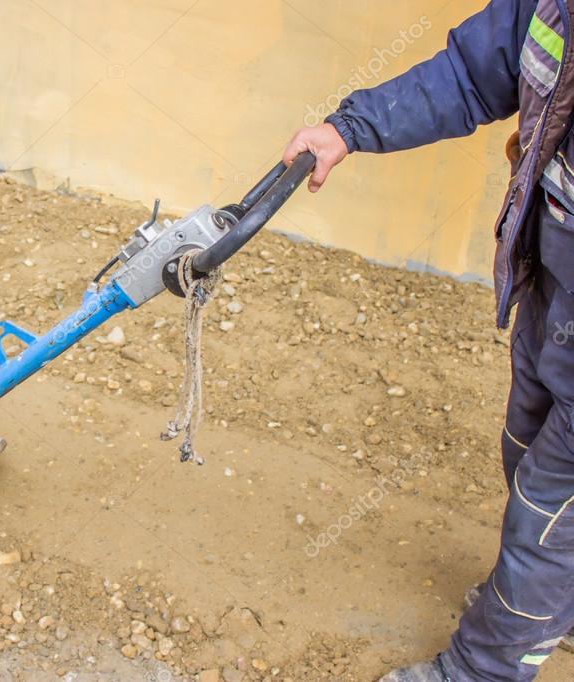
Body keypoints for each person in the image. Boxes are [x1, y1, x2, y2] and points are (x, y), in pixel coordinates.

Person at [282, 1, 574, 680]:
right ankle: (554, 597)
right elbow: (473, 73)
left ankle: (481, 670)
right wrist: (346, 129)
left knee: (550, 510)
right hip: (552, 279)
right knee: (527, 445)